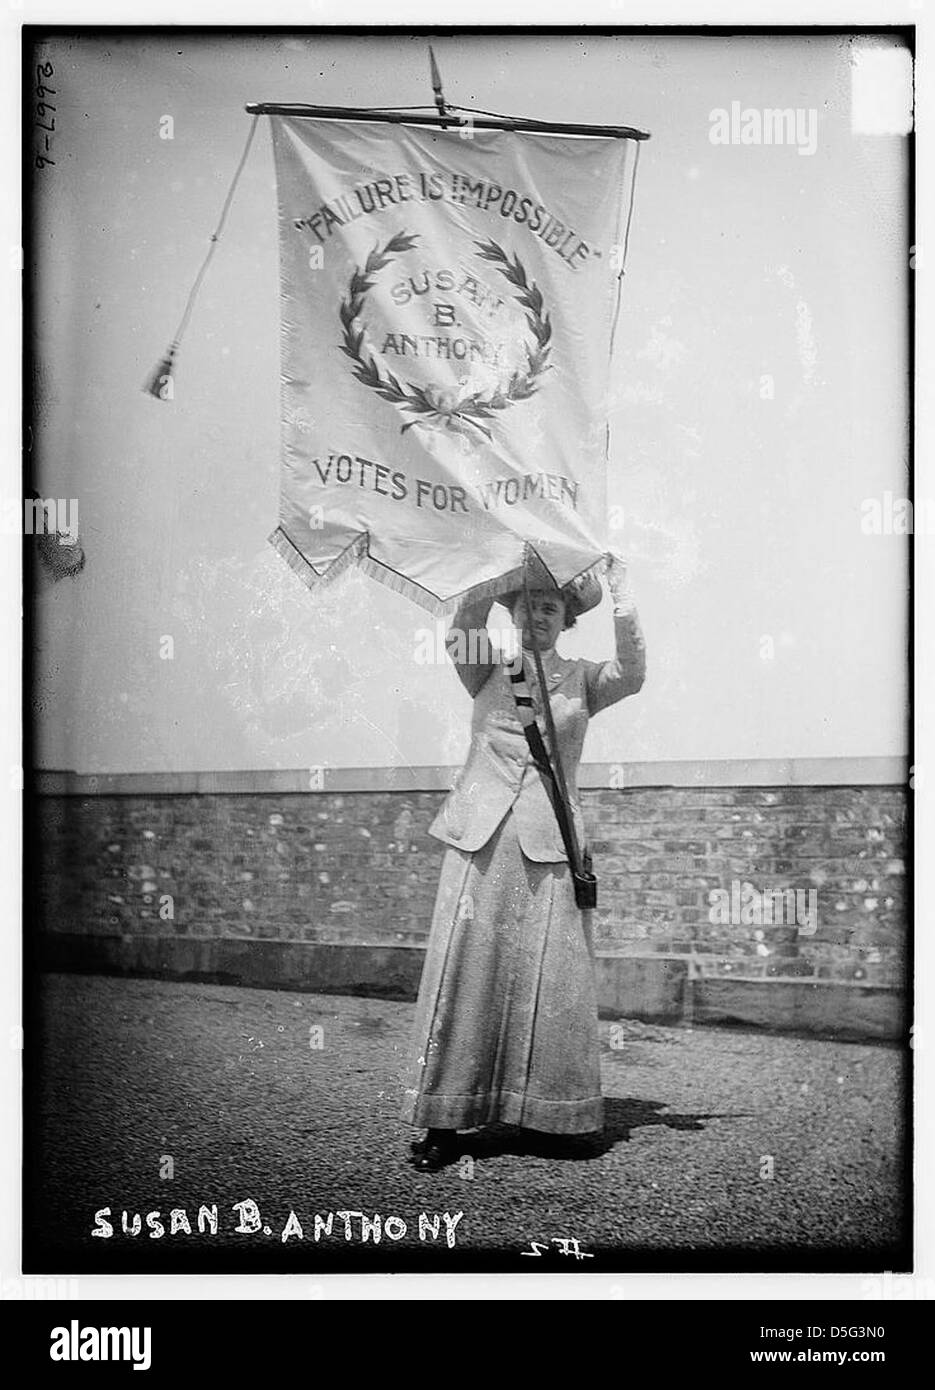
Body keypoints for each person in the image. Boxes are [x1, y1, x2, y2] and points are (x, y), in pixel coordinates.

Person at [399, 552, 646, 1170]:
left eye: (549, 607)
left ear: (565, 620)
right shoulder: (484, 668)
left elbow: (633, 671)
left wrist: (621, 592)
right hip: (482, 841)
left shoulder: (585, 680)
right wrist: (496, 564)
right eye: (526, 604)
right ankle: (444, 1122)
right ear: (510, 610)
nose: (536, 615)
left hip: (549, 843)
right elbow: (463, 620)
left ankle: (544, 1113)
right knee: (468, 975)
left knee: (550, 981)